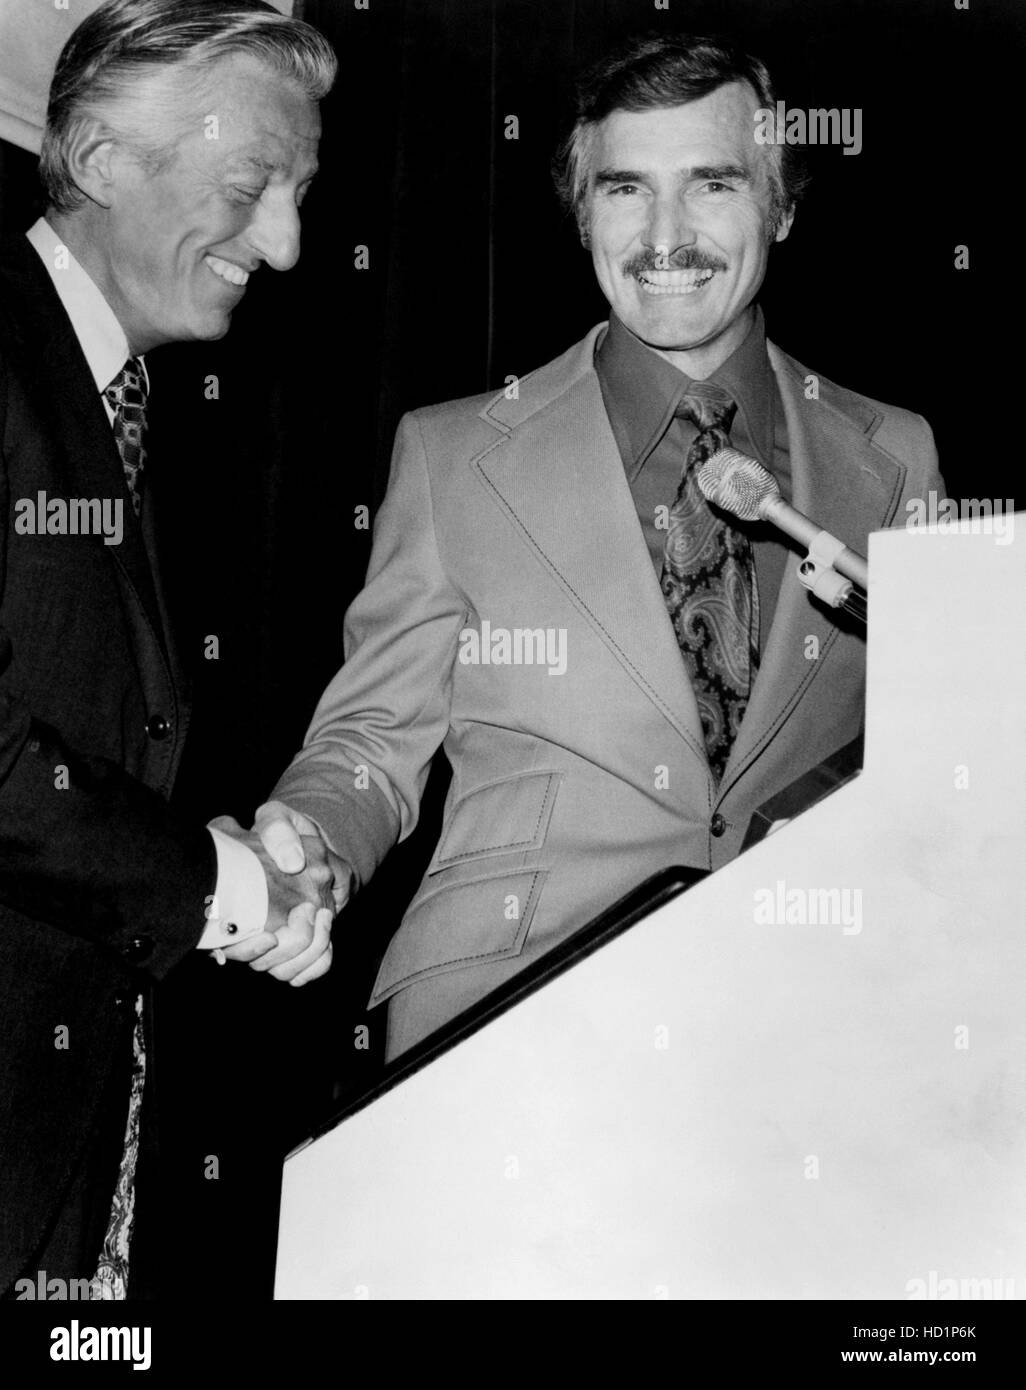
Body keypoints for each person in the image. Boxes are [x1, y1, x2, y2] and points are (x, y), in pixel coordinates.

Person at [247, 32, 943, 1063]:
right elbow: (367, 747)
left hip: (810, 1030)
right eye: (625, 190)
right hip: (510, 1022)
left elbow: (941, 757)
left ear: (782, 206)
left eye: (713, 184)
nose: (666, 236)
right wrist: (309, 848)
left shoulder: (896, 456)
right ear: (583, 216)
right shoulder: (449, 455)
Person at [0, 0, 339, 1300]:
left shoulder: (96, 388)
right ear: (95, 158)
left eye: (299, 193)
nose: (288, 242)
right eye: (251, 185)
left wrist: (233, 863)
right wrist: (225, 885)